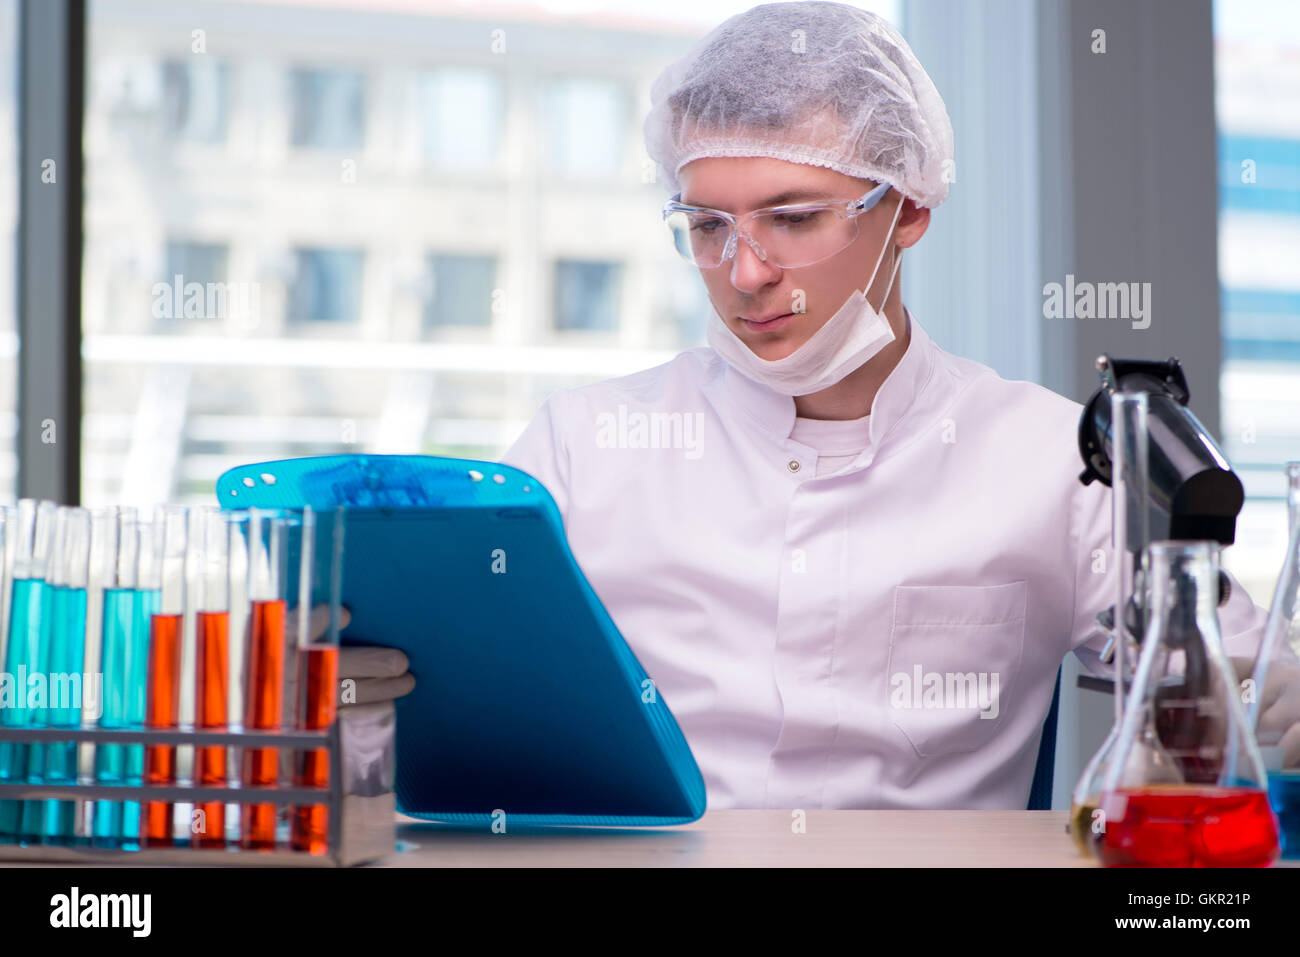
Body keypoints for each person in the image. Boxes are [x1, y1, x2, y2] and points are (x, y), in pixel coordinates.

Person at [345, 1, 1297, 809]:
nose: (745, 272)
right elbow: (470, 690)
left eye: (793, 218)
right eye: (707, 226)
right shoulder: (582, 448)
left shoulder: (1052, 457)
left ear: (910, 209)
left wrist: (1271, 699)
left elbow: (1228, 691)